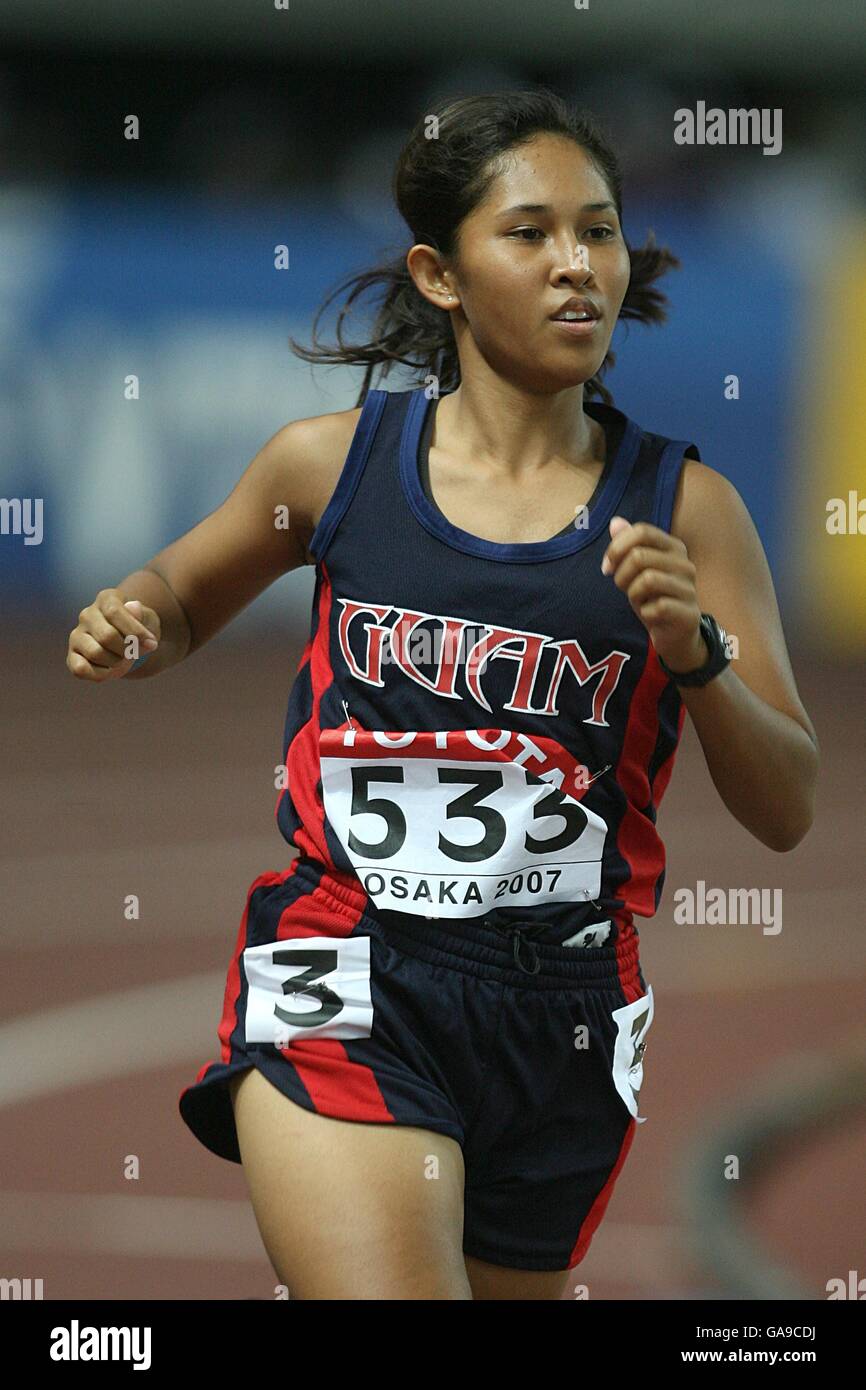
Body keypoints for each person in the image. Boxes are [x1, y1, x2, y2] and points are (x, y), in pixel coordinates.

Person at [66, 88, 819, 1300]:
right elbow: (183, 591)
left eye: (599, 230)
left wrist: (698, 656)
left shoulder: (687, 513)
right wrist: (137, 622)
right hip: (348, 962)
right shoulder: (332, 465)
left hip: (564, 1014)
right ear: (440, 273)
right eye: (528, 234)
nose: (576, 265)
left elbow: (785, 803)